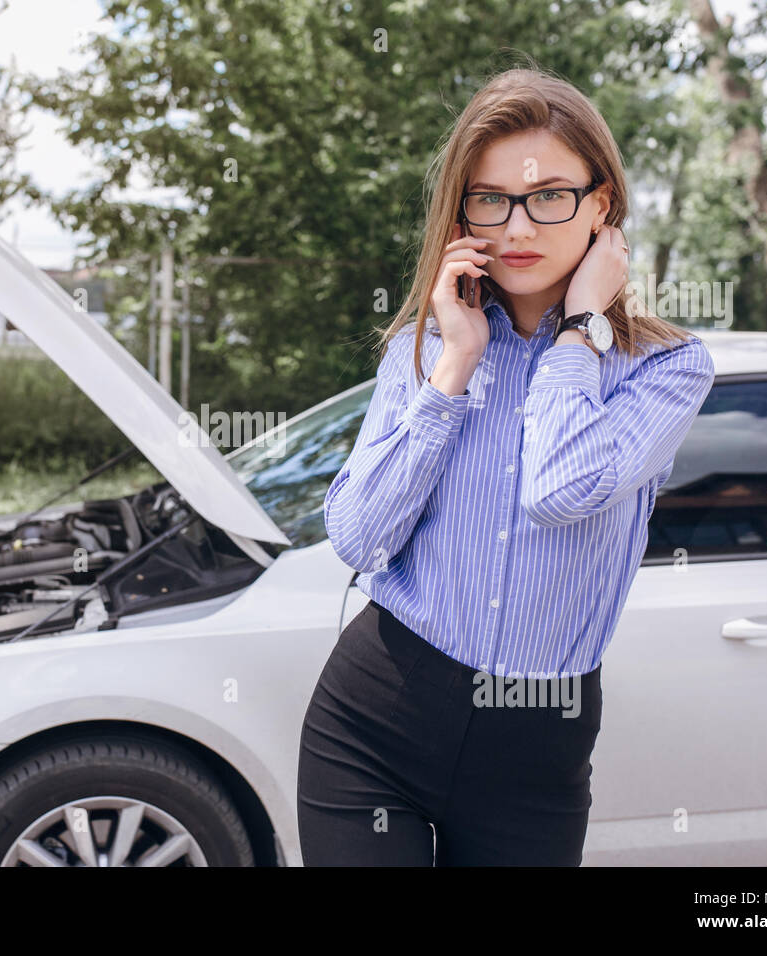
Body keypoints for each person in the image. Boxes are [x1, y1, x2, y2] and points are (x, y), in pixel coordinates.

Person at [297, 66, 716, 866]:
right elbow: (356, 537)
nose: (518, 228)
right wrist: (454, 363)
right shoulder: (425, 346)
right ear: (463, 212)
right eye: (491, 199)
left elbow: (561, 489)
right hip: (375, 718)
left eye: (550, 196)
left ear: (602, 207)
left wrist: (582, 330)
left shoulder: (668, 368)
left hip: (535, 752)